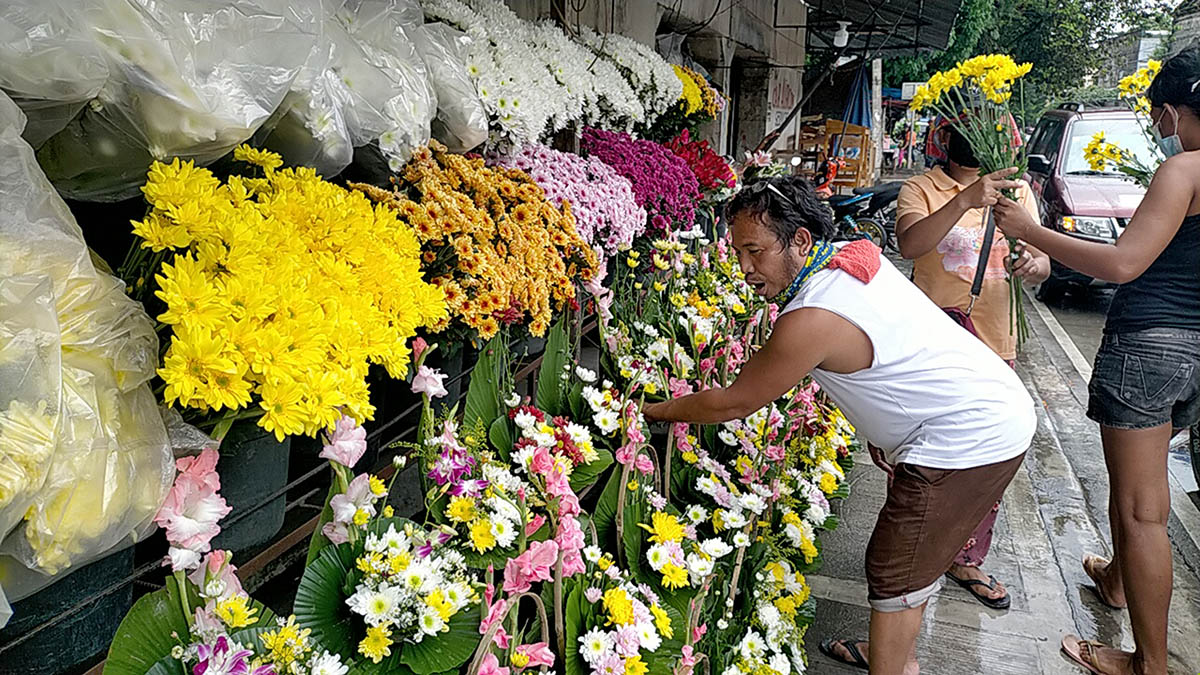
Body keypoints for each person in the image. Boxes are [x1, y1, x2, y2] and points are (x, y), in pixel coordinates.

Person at [642, 175, 1036, 675]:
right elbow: (887, 340)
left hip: (967, 438)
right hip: (990, 409)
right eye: (737, 253)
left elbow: (731, 404)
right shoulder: (853, 254)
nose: (744, 269)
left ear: (801, 240)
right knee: (916, 558)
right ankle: (892, 650)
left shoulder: (811, 316)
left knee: (896, 566)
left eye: (755, 251)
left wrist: (653, 410)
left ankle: (894, 664)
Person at [992, 48, 1200, 675]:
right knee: (1140, 490)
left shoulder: (1185, 169)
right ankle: (1116, 578)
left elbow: (1121, 264)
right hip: (1197, 353)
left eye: (1161, 120)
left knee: (1144, 510)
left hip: (1149, 346)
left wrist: (1027, 228)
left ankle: (1149, 665)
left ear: (1170, 112)